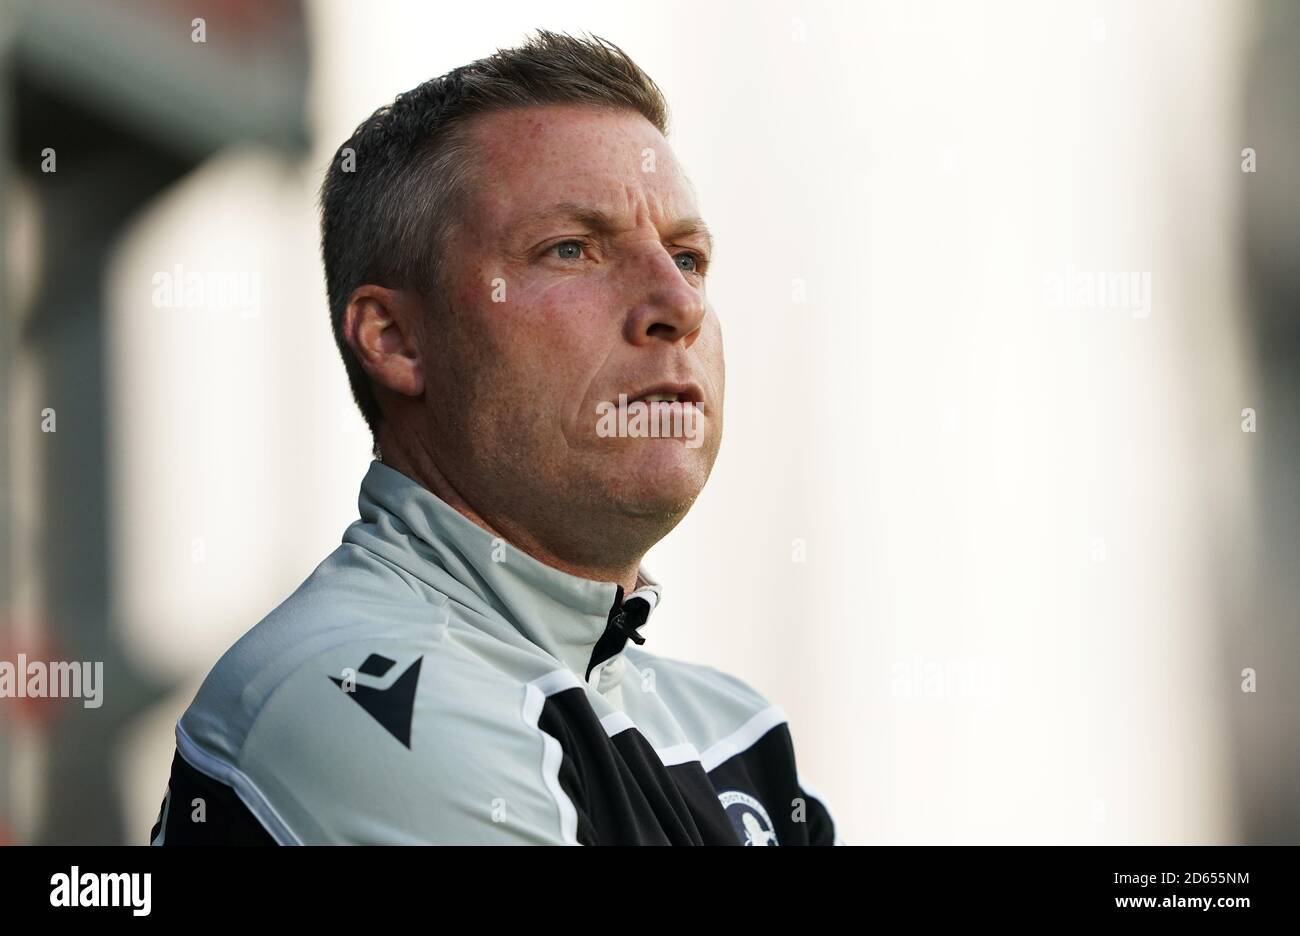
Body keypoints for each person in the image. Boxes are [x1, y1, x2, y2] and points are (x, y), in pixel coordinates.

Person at [150, 29, 840, 845]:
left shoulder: (735, 730)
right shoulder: (352, 690)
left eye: (687, 258)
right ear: (396, 340)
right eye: (572, 249)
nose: (677, 305)